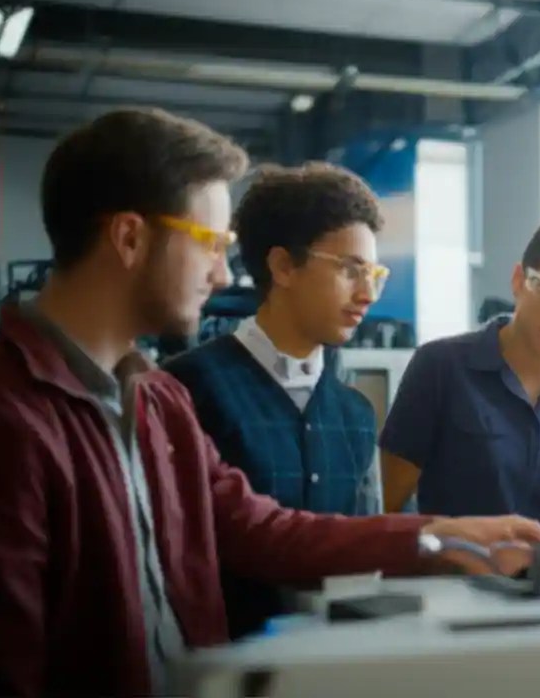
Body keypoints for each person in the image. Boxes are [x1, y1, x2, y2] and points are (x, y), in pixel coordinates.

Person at [0, 108, 540, 698]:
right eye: (209, 241)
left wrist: (440, 538)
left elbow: (264, 531)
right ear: (128, 237)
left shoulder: (157, 402)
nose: (224, 275)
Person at [164, 162, 391, 638]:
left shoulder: (355, 414)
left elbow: (369, 557)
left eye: (374, 274)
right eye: (350, 271)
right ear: (283, 266)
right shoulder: (186, 389)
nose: (368, 293)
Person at [380, 212, 540, 532]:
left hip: (537, 579)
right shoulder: (441, 366)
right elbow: (386, 504)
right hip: (447, 577)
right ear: (519, 280)